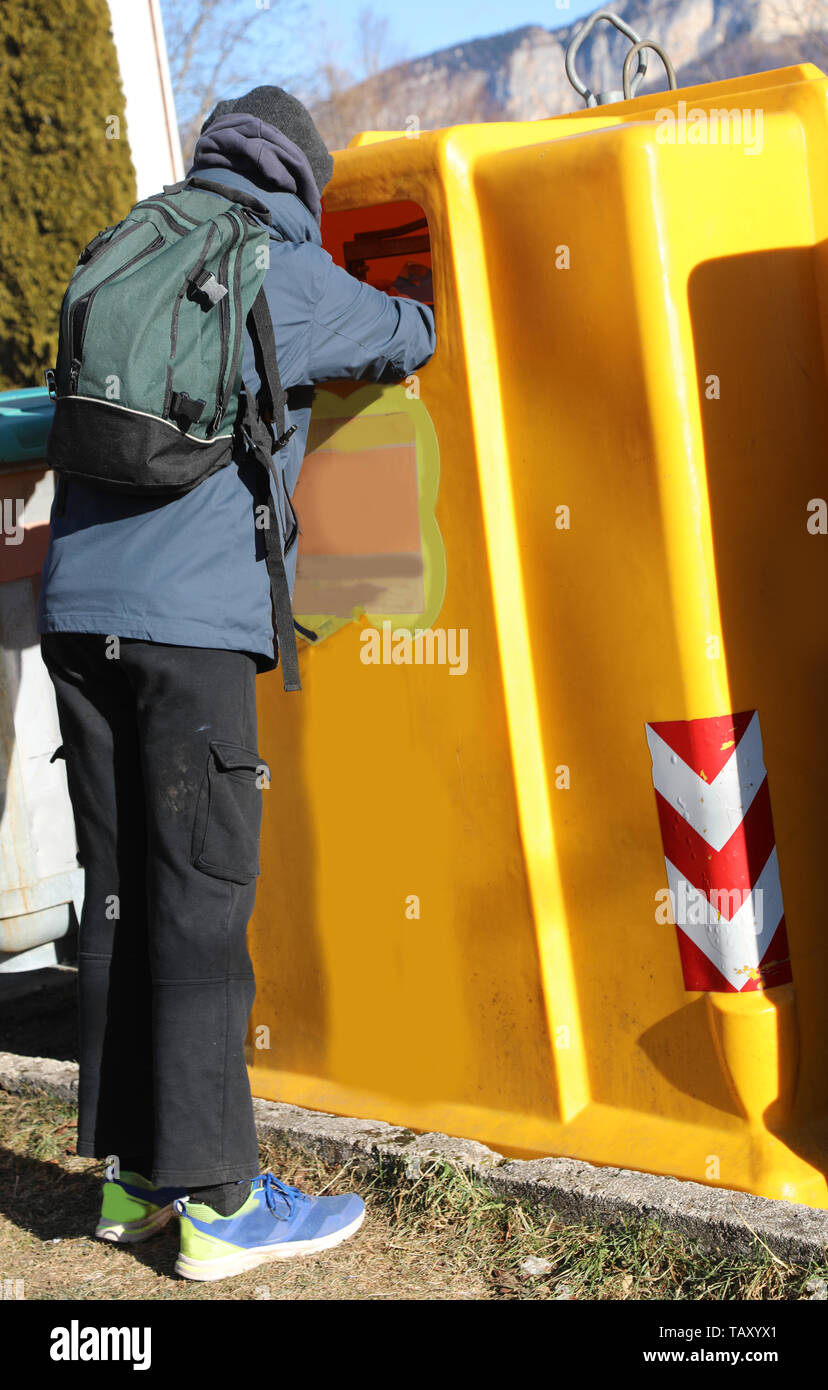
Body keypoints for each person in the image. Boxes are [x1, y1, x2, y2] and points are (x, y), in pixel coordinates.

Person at [37, 86, 436, 1282]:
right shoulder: (280, 263)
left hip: (76, 620)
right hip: (187, 636)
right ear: (302, 180)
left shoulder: (126, 241)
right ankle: (219, 1205)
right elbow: (411, 334)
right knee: (202, 906)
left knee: (117, 902)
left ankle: (128, 1177)